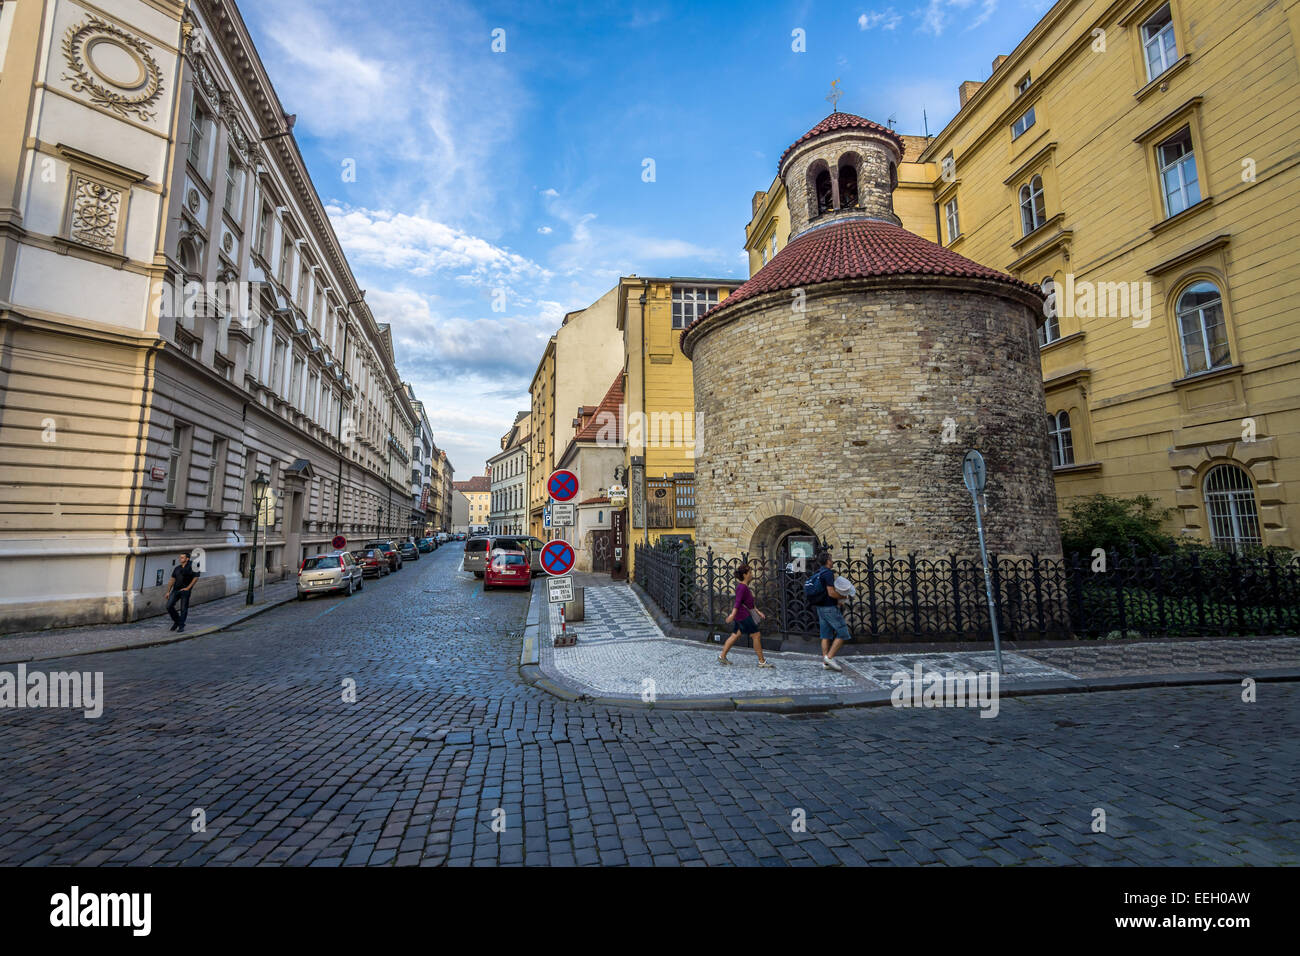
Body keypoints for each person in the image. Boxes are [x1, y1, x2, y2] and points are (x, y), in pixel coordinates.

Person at [717, 564, 773, 668]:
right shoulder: (742, 587)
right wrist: (732, 615)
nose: (752, 574)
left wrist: (758, 611)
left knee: (735, 635)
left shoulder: (744, 586)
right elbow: (737, 602)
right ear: (745, 574)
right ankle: (761, 661)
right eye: (750, 572)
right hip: (743, 616)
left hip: (741, 615)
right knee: (756, 635)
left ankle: (722, 657)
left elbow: (748, 603)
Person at [808, 550, 850, 671]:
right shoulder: (828, 573)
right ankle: (829, 658)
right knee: (843, 632)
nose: (832, 562)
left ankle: (825, 662)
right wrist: (843, 597)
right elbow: (831, 593)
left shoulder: (819, 572)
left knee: (825, 634)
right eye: (831, 559)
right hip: (829, 608)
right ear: (827, 561)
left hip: (820, 608)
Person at [164, 551, 200, 632]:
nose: (180, 559)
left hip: (185, 591)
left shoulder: (193, 566)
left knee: (183, 608)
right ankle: (178, 622)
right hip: (175, 590)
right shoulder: (177, 568)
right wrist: (168, 591)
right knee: (169, 606)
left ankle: (181, 626)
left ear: (187, 559)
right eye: (180, 557)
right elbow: (172, 580)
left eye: (182, 557)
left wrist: (188, 588)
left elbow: (196, 578)